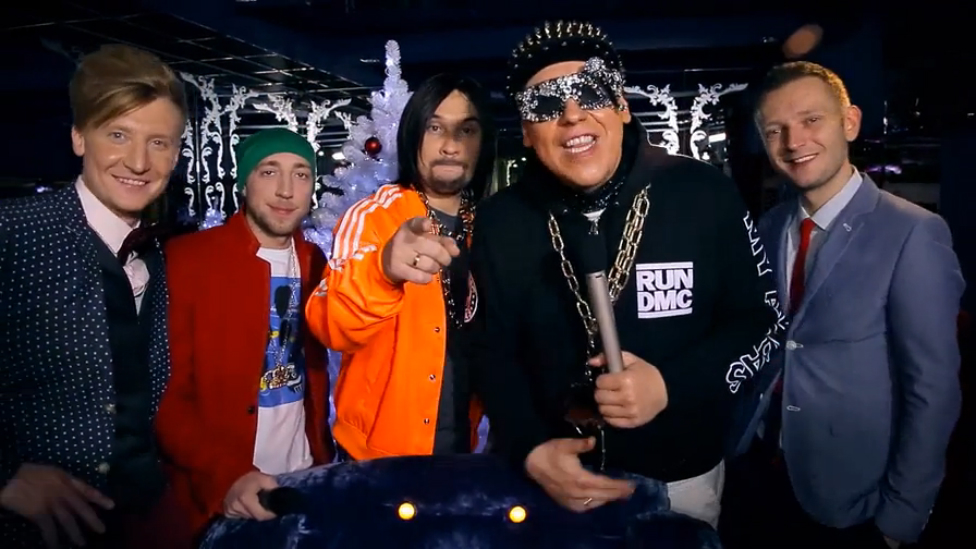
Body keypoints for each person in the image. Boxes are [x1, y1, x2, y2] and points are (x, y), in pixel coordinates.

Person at [469, 20, 785, 529]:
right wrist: (529, 447)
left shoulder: (704, 194)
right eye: (545, 105)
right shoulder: (500, 221)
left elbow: (762, 322)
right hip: (547, 481)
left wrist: (669, 385)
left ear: (620, 104)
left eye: (591, 91)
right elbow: (489, 349)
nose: (572, 115)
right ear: (526, 132)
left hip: (681, 480)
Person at [723, 61, 965, 548]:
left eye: (811, 120)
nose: (794, 142)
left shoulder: (913, 233)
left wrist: (900, 517)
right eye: (775, 130)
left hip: (854, 497)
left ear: (850, 122)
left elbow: (932, 389)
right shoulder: (768, 227)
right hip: (760, 474)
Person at [0, 45, 191, 548]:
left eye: (158, 142)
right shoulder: (14, 234)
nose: (138, 162)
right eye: (118, 135)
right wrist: (6, 477)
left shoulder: (160, 256)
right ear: (79, 137)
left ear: (175, 154)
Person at [305, 74, 496, 460]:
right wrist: (382, 273)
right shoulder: (374, 215)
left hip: (465, 448)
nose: (450, 145)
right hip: (378, 457)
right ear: (413, 135)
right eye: (435, 128)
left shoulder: (490, 225)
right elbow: (330, 325)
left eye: (466, 130)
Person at [156, 128, 334, 537]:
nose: (286, 190)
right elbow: (165, 397)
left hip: (303, 477)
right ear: (243, 182)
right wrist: (226, 474)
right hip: (223, 494)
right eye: (269, 172)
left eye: (301, 174)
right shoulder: (188, 260)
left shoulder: (315, 260)